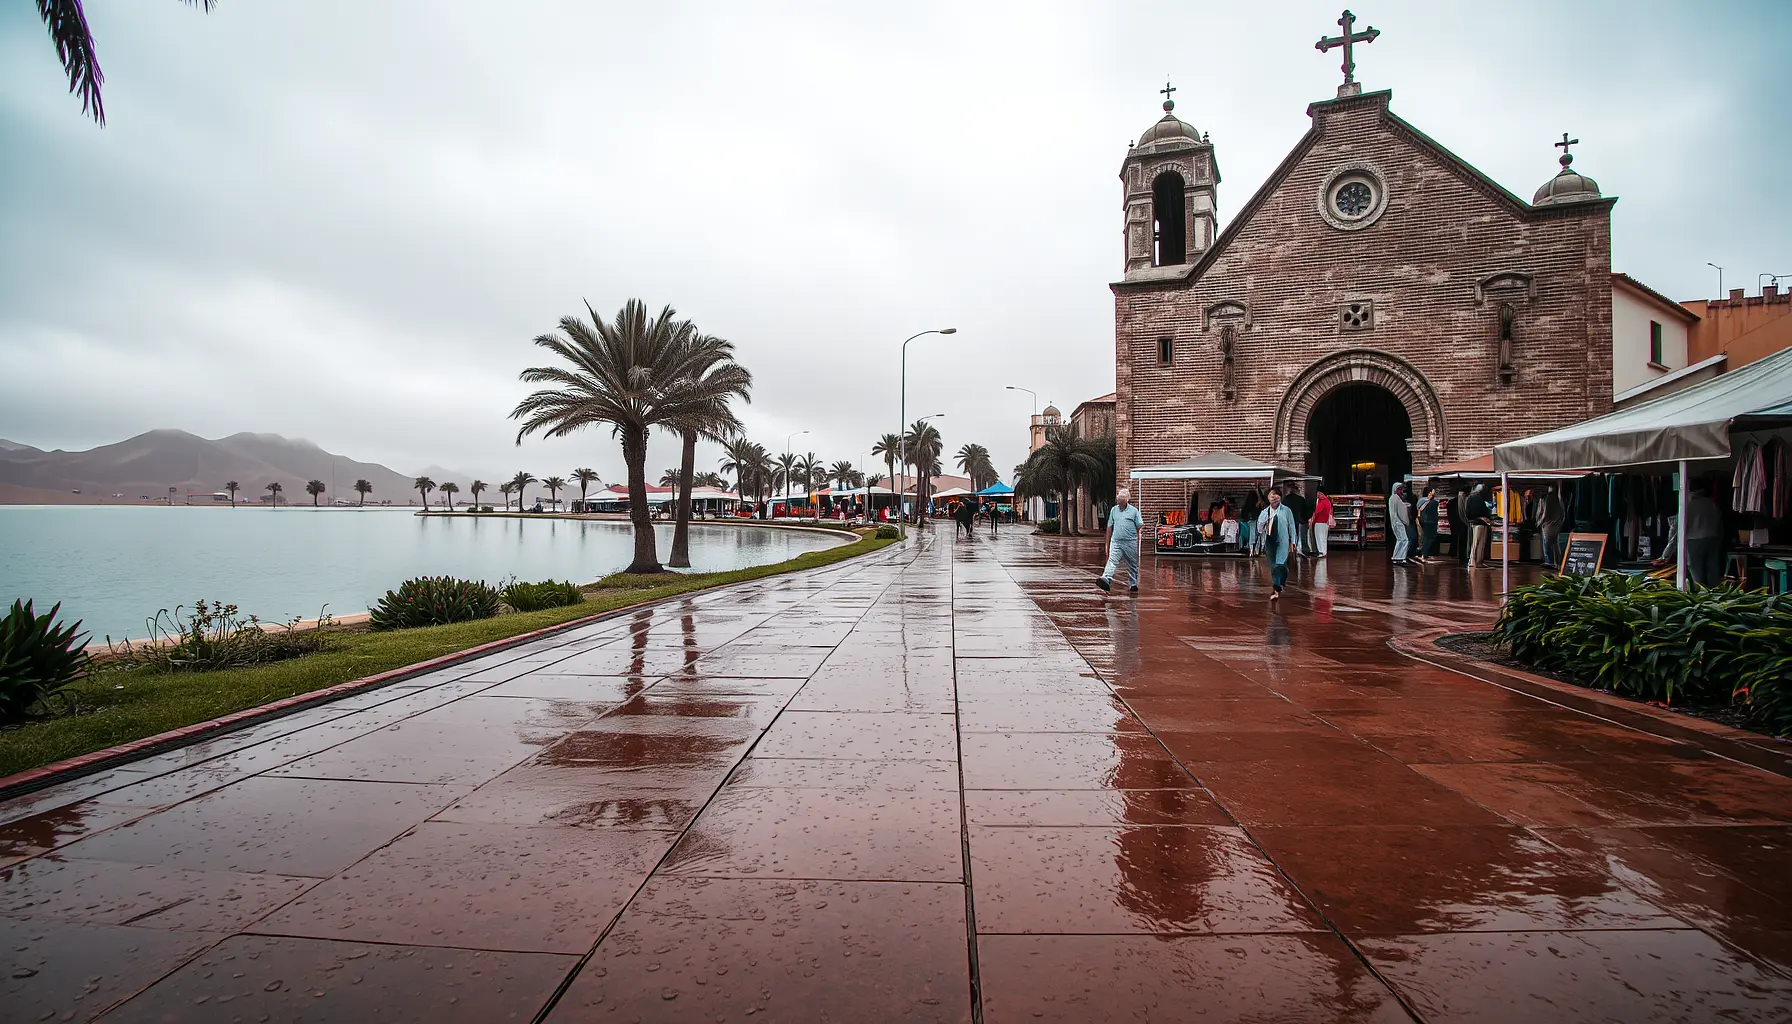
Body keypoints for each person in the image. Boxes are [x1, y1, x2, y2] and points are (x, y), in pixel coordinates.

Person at [1654, 480, 1725, 586]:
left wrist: (1666, 554)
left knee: (1696, 572)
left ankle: (1701, 594)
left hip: (1694, 541)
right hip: (1712, 539)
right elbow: (1720, 524)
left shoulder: (1688, 506)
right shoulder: (1712, 503)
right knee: (1713, 570)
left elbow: (1680, 530)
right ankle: (1716, 594)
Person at [1097, 488, 1143, 595]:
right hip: (1116, 541)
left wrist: (1135, 539)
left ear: (1127, 500)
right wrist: (1107, 543)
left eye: (1121, 499)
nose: (1118, 500)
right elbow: (1109, 526)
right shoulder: (1114, 510)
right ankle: (1106, 578)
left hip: (1130, 542)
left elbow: (1139, 526)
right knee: (1112, 561)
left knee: (1132, 564)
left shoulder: (1134, 511)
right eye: (1118, 498)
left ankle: (1133, 583)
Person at [1256, 486, 1298, 603]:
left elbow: (1292, 526)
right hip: (1270, 541)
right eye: (1271, 495)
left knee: (1281, 565)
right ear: (1268, 498)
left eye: (1276, 495)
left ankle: (1281, 582)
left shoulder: (1286, 510)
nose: (1274, 497)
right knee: (1274, 566)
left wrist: (1292, 542)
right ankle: (1276, 589)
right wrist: (1264, 520)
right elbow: (1259, 528)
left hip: (1283, 542)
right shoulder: (1265, 512)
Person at [1464, 483, 1493, 569]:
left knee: (1478, 542)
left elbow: (1468, 512)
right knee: (1478, 542)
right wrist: (1482, 518)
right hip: (1478, 523)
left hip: (1478, 522)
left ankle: (1477, 560)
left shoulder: (1471, 498)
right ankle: (1474, 560)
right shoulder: (1477, 498)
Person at [1538, 483, 1566, 570]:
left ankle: (1549, 561)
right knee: (1556, 545)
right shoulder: (1559, 499)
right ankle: (1558, 563)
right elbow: (1563, 513)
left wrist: (1539, 522)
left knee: (1547, 544)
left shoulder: (1546, 498)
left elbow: (1543, 513)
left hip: (1547, 525)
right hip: (1557, 525)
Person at [1388, 482, 1414, 564]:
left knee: (1400, 539)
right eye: (1400, 489)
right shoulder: (1396, 498)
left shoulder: (1392, 498)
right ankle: (1401, 557)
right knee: (1404, 540)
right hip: (1398, 522)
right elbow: (1401, 509)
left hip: (1394, 522)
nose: (1401, 490)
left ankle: (1396, 556)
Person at [1417, 485, 1440, 563]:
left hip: (1424, 521)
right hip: (1429, 521)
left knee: (1426, 537)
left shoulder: (1421, 501)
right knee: (1427, 537)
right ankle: (1425, 553)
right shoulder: (1431, 502)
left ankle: (1425, 553)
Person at [1312, 489, 1334, 557]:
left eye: (1318, 493)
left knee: (1319, 538)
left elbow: (1317, 512)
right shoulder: (1328, 501)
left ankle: (1321, 552)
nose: (1317, 494)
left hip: (1319, 523)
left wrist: (1312, 519)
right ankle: (1324, 552)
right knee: (1324, 538)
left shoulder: (1322, 502)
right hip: (1325, 523)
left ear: (1322, 493)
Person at [1239, 488, 1262, 553]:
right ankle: (1254, 551)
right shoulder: (1257, 509)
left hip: (1245, 530)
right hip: (1253, 532)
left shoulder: (1244, 508)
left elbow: (1242, 517)